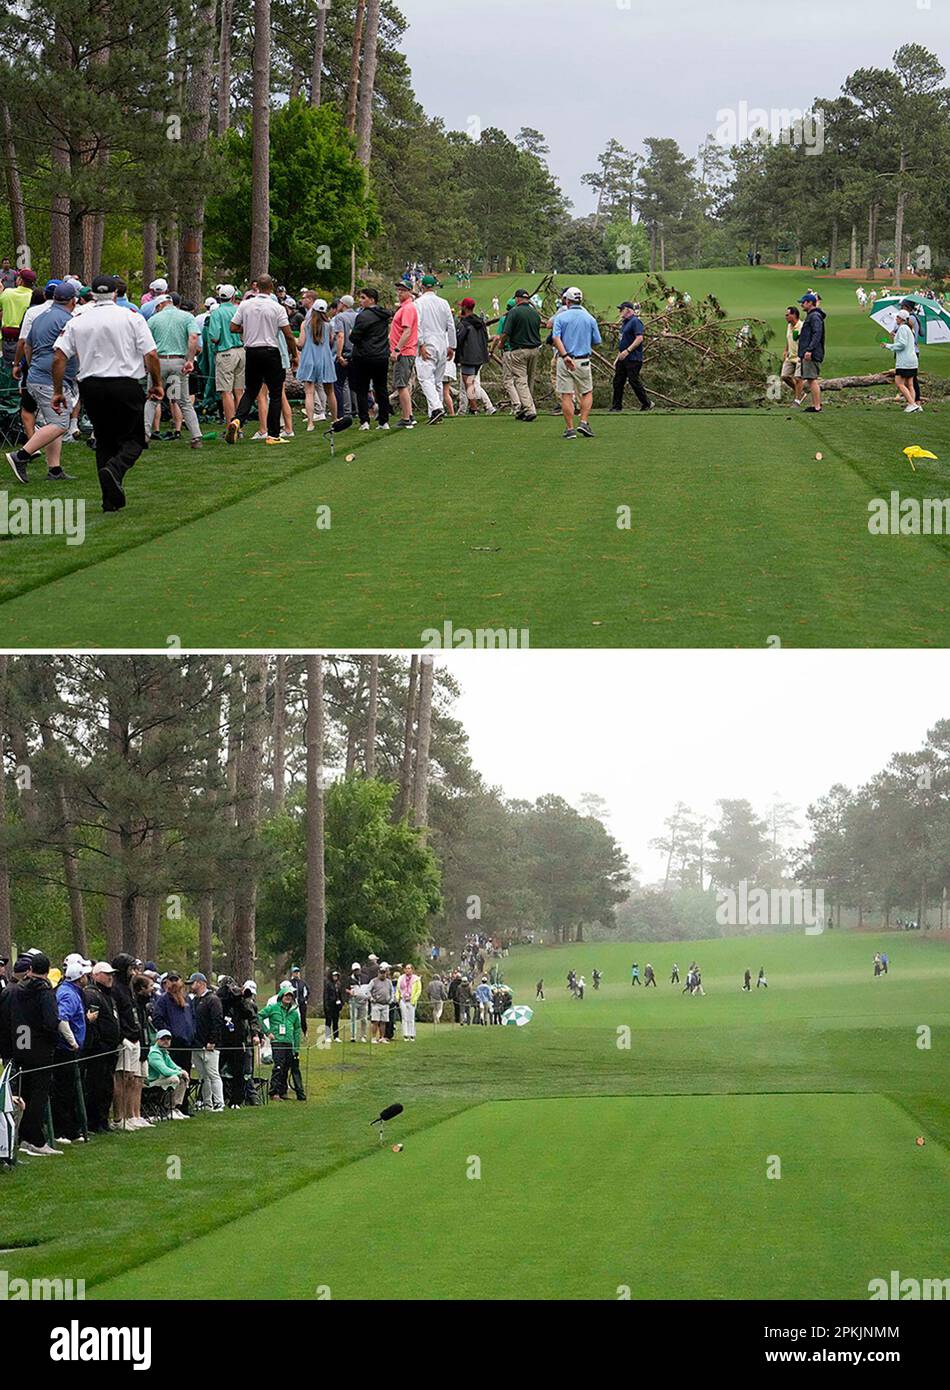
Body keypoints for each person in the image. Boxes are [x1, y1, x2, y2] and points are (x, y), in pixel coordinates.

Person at [50, 274, 163, 512]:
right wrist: (157, 383)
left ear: (91, 294)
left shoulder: (78, 319)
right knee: (135, 439)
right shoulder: (131, 317)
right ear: (115, 294)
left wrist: (58, 391)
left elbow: (59, 356)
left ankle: (110, 499)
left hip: (92, 385)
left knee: (104, 440)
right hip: (125, 383)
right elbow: (151, 354)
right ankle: (116, 469)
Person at [6, 282, 79, 484]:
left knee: (53, 423)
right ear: (73, 301)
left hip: (36, 376)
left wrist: (33, 367)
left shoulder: (39, 317)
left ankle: (54, 469)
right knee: (60, 424)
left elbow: (27, 347)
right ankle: (20, 456)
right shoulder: (68, 320)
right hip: (51, 380)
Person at [226, 275, 299, 445]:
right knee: (275, 393)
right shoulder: (277, 307)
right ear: (272, 288)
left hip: (251, 351)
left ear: (256, 286)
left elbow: (233, 327)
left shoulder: (245, 305)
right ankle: (273, 434)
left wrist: (249, 329)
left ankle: (237, 420)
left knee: (251, 390)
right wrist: (294, 355)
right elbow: (288, 334)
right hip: (270, 350)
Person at [9, 952, 63, 1155]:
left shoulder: (17, 990)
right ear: (47, 971)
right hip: (39, 1048)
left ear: (31, 969)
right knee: (39, 1094)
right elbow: (51, 1022)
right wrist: (54, 1040)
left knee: (25, 1093)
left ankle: (23, 1138)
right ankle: (35, 1139)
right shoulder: (44, 992)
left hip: (21, 1045)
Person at [146, 294, 203, 447]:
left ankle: (144, 436)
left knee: (153, 399)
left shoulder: (153, 319)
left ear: (159, 306)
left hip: (159, 362)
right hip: (179, 362)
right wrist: (190, 360)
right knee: (183, 401)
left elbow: (146, 345)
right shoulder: (186, 317)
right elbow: (193, 338)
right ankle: (196, 436)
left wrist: (147, 365)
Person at [552, 287, 601, 438]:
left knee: (566, 394)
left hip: (564, 361)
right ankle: (584, 422)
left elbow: (555, 338)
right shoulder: (589, 318)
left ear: (567, 300)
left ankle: (570, 429)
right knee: (586, 391)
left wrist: (565, 354)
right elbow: (597, 341)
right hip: (583, 360)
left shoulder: (561, 317)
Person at [51, 958, 89, 1145]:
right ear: (79, 978)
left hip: (68, 1049)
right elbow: (61, 1019)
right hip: (66, 1050)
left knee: (71, 1090)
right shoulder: (68, 994)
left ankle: (71, 1129)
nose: (87, 978)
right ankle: (62, 1131)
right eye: (84, 976)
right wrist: (73, 1042)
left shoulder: (71, 991)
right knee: (64, 1091)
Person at [82, 962, 120, 1133]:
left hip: (111, 1049)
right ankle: (94, 1122)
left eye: (111, 973)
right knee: (96, 1086)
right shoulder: (92, 994)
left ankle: (103, 1120)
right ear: (96, 975)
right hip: (99, 1050)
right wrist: (100, 1043)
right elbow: (93, 1023)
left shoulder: (108, 996)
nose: (110, 977)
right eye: (106, 974)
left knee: (106, 1087)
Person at [414, 275, 456, 424]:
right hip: (442, 342)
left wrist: (421, 344)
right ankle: (435, 413)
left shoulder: (418, 303)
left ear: (422, 286)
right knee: (437, 380)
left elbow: (417, 325)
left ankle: (437, 408)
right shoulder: (443, 303)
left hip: (428, 341)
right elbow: (451, 325)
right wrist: (452, 346)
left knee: (425, 378)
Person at [496, 288, 543, 420]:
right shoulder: (534, 313)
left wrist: (501, 344)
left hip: (519, 350)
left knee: (520, 381)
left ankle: (529, 409)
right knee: (529, 380)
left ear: (517, 299)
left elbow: (506, 332)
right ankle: (525, 406)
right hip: (535, 349)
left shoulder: (514, 312)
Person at [349, 288, 392, 430]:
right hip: (381, 355)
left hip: (364, 356)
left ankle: (364, 421)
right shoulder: (384, 315)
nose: (360, 301)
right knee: (381, 388)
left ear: (371, 300)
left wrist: (351, 333)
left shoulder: (363, 316)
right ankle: (384, 421)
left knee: (362, 389)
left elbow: (355, 337)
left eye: (363, 298)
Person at [206, 285, 245, 426]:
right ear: (233, 296)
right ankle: (239, 425)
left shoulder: (216, 313)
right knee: (239, 391)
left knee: (226, 392)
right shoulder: (237, 310)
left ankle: (231, 426)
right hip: (241, 352)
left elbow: (214, 337)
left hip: (226, 353)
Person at [296, 298, 338, 429]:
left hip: (309, 359)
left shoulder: (305, 324)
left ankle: (310, 423)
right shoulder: (329, 325)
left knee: (309, 392)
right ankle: (335, 419)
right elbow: (331, 342)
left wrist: (294, 341)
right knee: (330, 391)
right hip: (325, 359)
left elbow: (301, 344)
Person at [259, 982, 306, 1096]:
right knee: (279, 1066)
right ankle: (273, 1092)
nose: (288, 998)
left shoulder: (294, 1012)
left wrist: (296, 1048)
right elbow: (259, 1016)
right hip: (277, 1041)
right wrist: (267, 1032)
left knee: (286, 1067)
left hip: (289, 1042)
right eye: (286, 995)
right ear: (281, 996)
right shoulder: (273, 1008)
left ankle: (282, 1091)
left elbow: (297, 1030)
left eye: (290, 996)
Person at [188, 971, 225, 1112]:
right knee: (203, 1076)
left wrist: (212, 1041)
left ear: (201, 983)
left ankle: (219, 1102)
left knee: (213, 1074)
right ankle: (208, 1103)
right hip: (197, 1044)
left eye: (193, 982)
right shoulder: (195, 1000)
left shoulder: (212, 999)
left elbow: (217, 1021)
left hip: (209, 1045)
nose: (191, 985)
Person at [455, 298, 496, 415]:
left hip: (468, 356)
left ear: (465, 307)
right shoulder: (480, 322)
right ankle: (478, 407)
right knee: (472, 383)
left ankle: (474, 408)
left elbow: (459, 340)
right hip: (480, 357)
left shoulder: (464, 324)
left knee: (468, 383)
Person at [611, 301, 651, 411]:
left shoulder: (635, 322)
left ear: (628, 310)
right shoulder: (624, 323)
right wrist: (618, 357)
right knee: (618, 381)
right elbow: (623, 341)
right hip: (623, 357)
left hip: (633, 358)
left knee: (633, 380)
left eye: (621, 309)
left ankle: (646, 403)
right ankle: (616, 406)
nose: (620, 312)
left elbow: (639, 338)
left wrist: (628, 351)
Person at [389, 282, 419, 429]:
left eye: (402, 290)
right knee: (403, 384)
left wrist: (397, 349)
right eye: (398, 290)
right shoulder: (404, 308)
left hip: (404, 351)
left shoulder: (407, 308)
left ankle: (406, 417)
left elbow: (406, 331)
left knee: (401, 385)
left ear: (409, 292)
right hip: (405, 351)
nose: (399, 293)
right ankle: (409, 415)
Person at [881, 311, 921, 412]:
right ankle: (915, 404)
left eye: (897, 317)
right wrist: (896, 337)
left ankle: (912, 404)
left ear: (902, 319)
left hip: (905, 361)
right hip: (913, 360)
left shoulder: (902, 328)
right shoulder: (908, 328)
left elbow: (902, 344)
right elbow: (905, 342)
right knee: (910, 384)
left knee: (899, 383)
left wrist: (887, 345)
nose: (896, 319)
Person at [147, 1030, 190, 1117]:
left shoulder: (164, 1052)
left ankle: (175, 1107)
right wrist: (180, 1073)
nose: (166, 1041)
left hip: (159, 1080)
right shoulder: (154, 1053)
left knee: (182, 1078)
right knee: (175, 1078)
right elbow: (164, 1071)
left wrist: (182, 1071)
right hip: (150, 1082)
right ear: (157, 1040)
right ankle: (168, 1109)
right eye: (163, 1039)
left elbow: (173, 1066)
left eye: (168, 1039)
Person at [796, 291, 825, 412]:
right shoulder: (811, 316)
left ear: (810, 303)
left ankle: (817, 406)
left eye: (803, 302)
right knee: (809, 379)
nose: (802, 304)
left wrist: (809, 350)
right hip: (808, 352)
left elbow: (817, 333)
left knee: (812, 379)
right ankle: (815, 404)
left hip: (812, 353)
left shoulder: (814, 316)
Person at [330, 294, 358, 415]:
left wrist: (339, 355)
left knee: (340, 384)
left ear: (344, 304)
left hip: (344, 353)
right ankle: (356, 409)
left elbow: (340, 335)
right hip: (356, 353)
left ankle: (343, 412)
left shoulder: (340, 317)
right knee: (354, 383)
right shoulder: (358, 316)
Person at [782, 306, 804, 403]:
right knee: (784, 376)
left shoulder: (802, 326)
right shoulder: (789, 326)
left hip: (799, 356)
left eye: (787, 315)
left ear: (794, 315)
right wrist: (786, 350)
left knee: (798, 378)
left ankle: (797, 400)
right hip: (791, 356)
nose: (786, 317)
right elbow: (788, 338)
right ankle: (800, 392)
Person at [398, 964, 422, 1039]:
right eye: (406, 968)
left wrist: (414, 998)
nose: (407, 970)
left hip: (411, 1000)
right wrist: (398, 998)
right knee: (404, 1017)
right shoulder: (401, 978)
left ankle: (412, 1034)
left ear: (412, 969)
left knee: (411, 1018)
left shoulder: (416, 979)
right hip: (403, 999)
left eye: (409, 968)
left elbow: (418, 990)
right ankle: (405, 1034)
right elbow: (398, 989)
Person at [369, 966, 392, 1043]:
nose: (383, 974)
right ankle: (373, 1038)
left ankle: (382, 1037)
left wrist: (391, 999)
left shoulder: (389, 982)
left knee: (383, 1022)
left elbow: (392, 992)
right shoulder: (374, 981)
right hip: (376, 1004)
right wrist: (371, 998)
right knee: (375, 1021)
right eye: (381, 973)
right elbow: (368, 991)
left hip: (385, 1004)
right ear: (378, 973)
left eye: (384, 973)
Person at [324, 969, 344, 1043]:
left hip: (336, 1006)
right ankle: (327, 1036)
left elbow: (340, 995)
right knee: (328, 1021)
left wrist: (341, 1003)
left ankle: (336, 1036)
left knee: (336, 1021)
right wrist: (326, 1006)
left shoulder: (338, 984)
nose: (335, 977)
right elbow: (326, 995)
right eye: (334, 976)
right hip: (330, 1005)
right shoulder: (328, 984)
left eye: (336, 976)